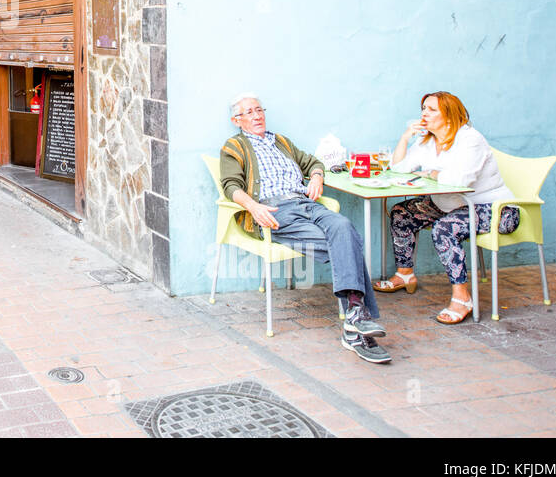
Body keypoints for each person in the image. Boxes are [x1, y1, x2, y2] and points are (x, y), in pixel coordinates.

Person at [219, 94, 392, 364]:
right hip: (276, 212)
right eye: (249, 112)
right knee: (349, 243)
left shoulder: (282, 141)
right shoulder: (234, 147)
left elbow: (312, 163)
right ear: (237, 120)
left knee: (343, 227)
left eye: (259, 110)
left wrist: (318, 178)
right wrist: (254, 207)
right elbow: (231, 186)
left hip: (306, 204)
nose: (257, 116)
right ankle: (357, 324)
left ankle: (354, 320)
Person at [372, 91, 520, 325]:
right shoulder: (428, 141)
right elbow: (399, 168)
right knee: (402, 213)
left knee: (444, 228)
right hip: (453, 206)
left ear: (449, 115)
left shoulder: (470, 139)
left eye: (431, 109)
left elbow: (462, 180)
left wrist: (431, 173)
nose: (424, 113)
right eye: (423, 108)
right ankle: (405, 274)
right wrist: (407, 136)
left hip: (496, 210)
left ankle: (462, 298)